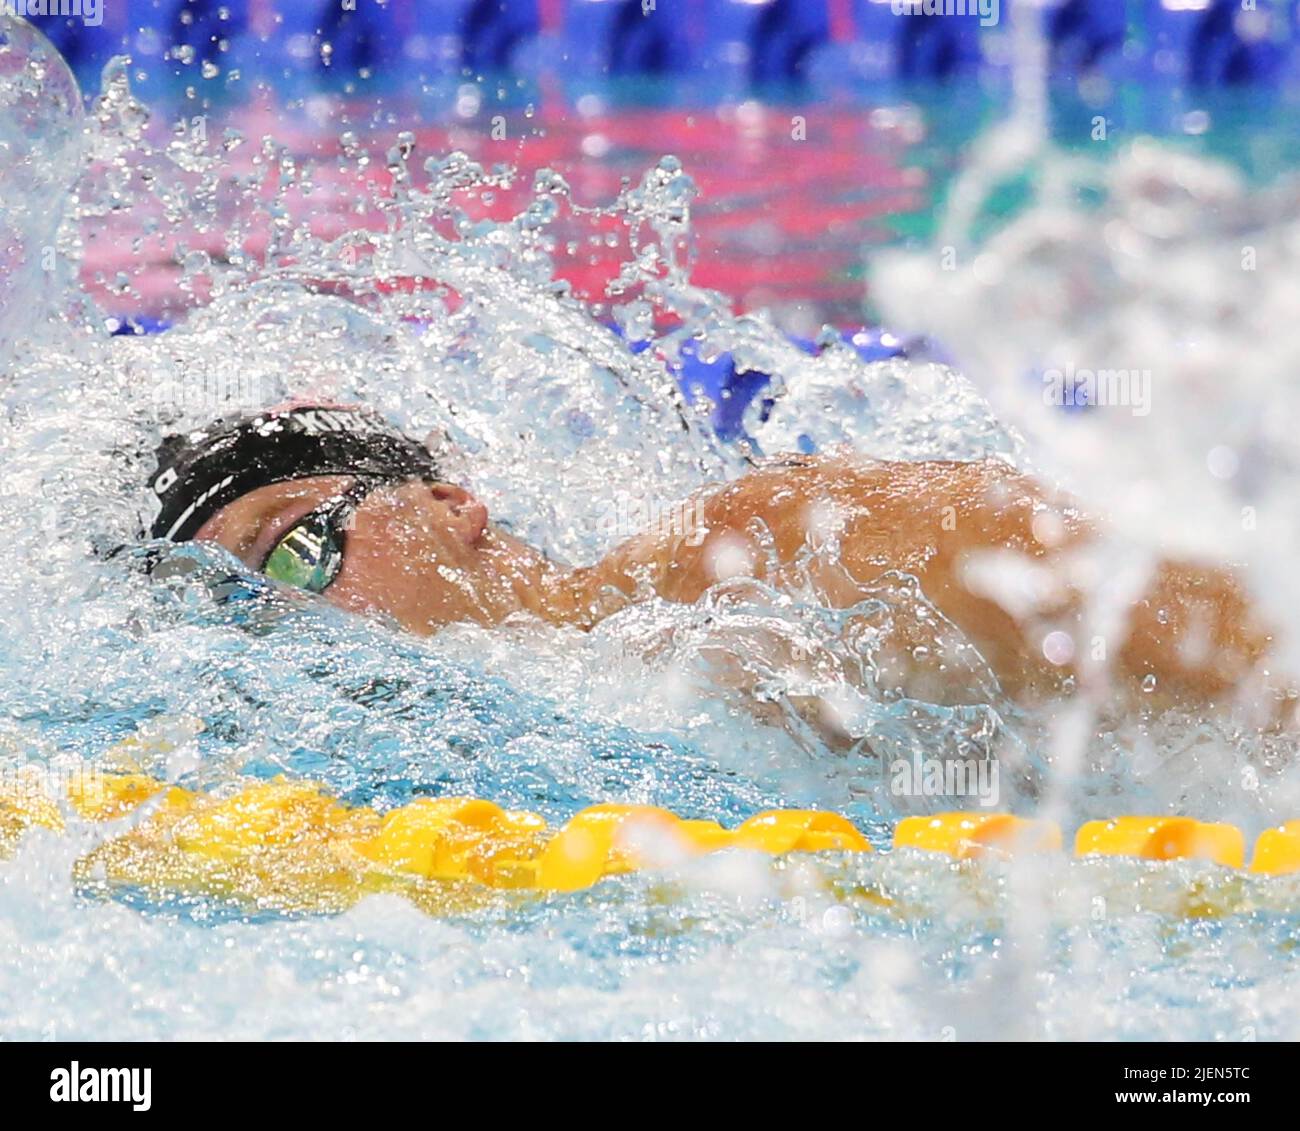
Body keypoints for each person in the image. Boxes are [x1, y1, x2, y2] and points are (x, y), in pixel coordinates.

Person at [147, 403, 1280, 720]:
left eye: (293, 551)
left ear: (451, 506)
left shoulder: (801, 545)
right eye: (241, 613)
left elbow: (1255, 656)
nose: (291, 626)